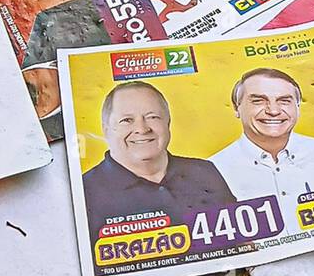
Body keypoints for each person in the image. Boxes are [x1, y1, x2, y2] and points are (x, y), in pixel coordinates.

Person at [82, 81, 233, 243]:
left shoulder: (204, 171)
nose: (142, 129)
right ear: (106, 130)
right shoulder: (84, 193)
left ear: (167, 123)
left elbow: (242, 240)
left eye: (152, 117)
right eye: (127, 120)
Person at [211, 68, 314, 207]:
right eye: (258, 101)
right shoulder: (213, 172)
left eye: (284, 101)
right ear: (237, 108)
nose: (273, 111)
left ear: (297, 108)